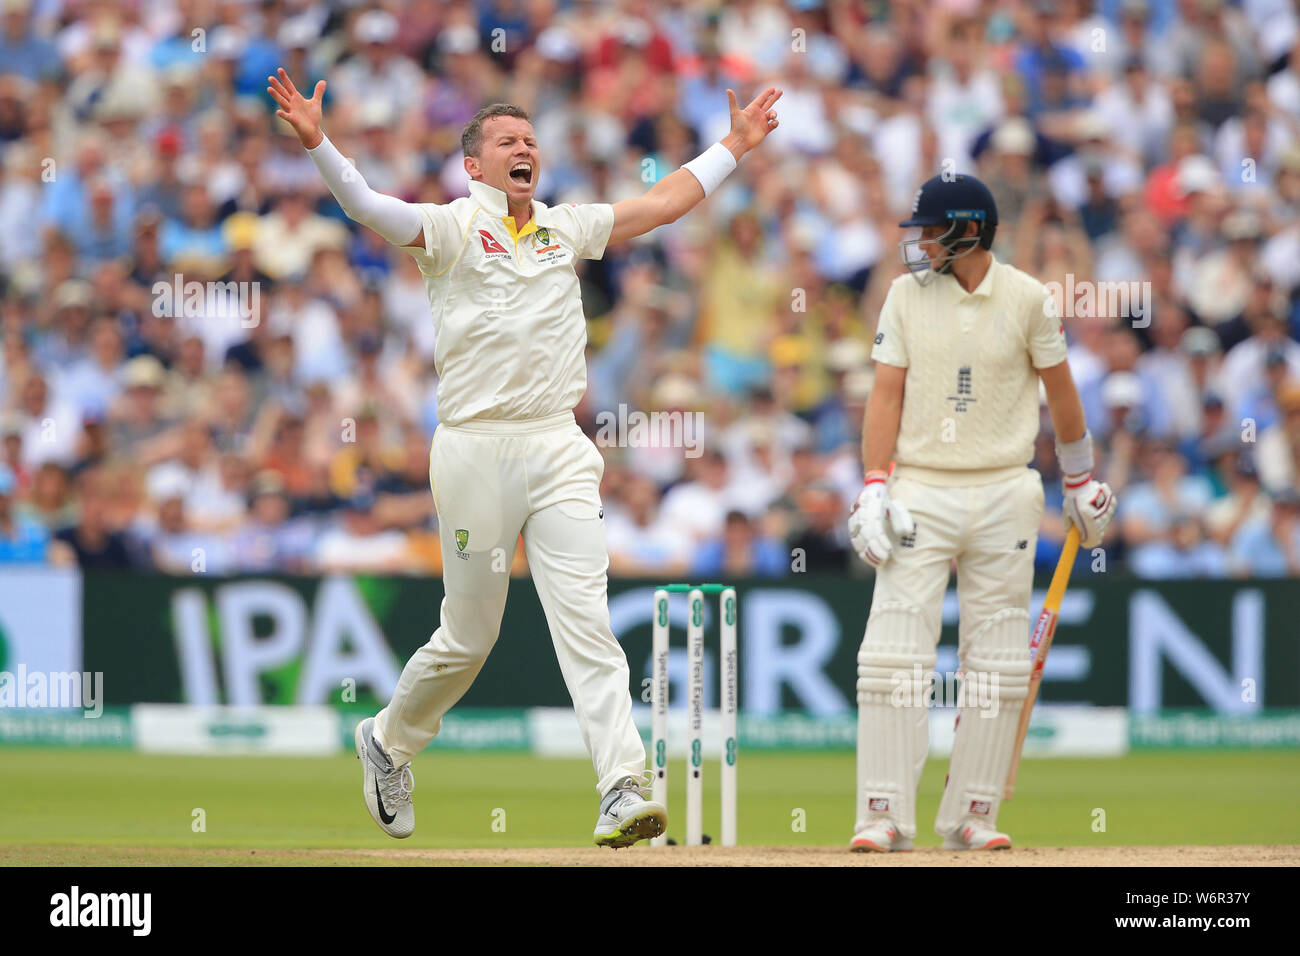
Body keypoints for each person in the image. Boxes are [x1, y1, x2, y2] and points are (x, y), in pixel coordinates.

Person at [267, 68, 781, 847]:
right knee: (470, 637)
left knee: (587, 623)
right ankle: (389, 741)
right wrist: (321, 145)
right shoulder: (446, 229)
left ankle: (620, 787)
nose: (524, 148)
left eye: (531, 140)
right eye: (507, 140)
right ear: (472, 164)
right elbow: (365, 207)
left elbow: (660, 204)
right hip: (474, 448)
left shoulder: (564, 226)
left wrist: (733, 149)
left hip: (558, 444)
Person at [846, 174, 1117, 852]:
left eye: (931, 230)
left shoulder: (1027, 298)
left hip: (1005, 490)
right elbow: (884, 397)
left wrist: (1080, 479)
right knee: (891, 658)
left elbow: (1062, 393)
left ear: (967, 231)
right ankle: (883, 815)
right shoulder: (906, 295)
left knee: (996, 664)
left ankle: (973, 815)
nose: (920, 241)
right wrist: (875, 484)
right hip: (921, 490)